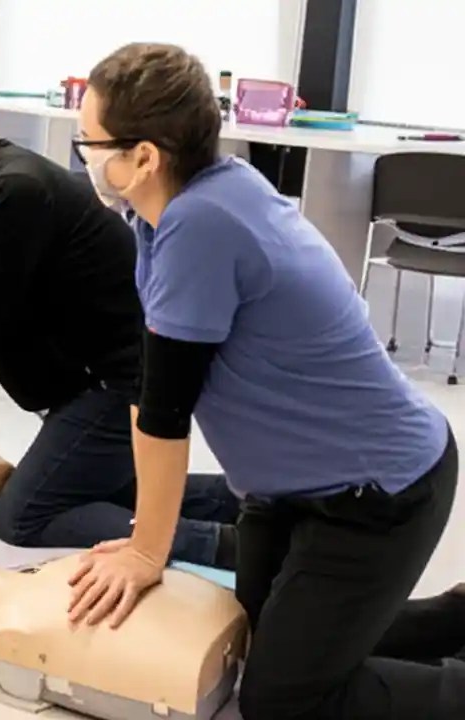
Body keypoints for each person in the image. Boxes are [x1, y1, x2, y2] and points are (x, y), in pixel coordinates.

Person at [66, 43, 465, 719]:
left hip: (377, 492)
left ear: (144, 157)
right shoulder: (178, 205)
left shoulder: (201, 223)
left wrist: (145, 550)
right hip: (285, 494)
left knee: (284, 702)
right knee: (264, 644)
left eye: (90, 142)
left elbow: (163, 411)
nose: (84, 157)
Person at [0, 94, 241, 569]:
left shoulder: (12, 192)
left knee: (26, 516)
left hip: (120, 380)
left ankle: (232, 546)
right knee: (107, 487)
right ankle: (251, 505)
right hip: (88, 379)